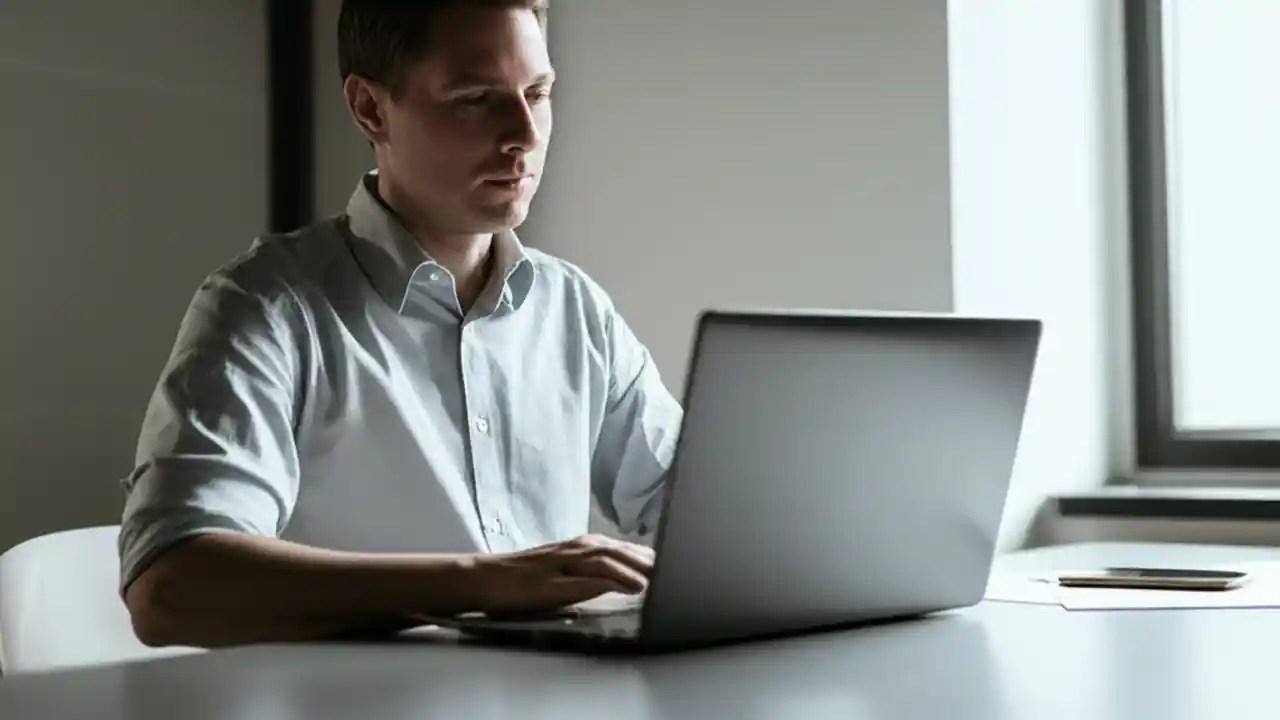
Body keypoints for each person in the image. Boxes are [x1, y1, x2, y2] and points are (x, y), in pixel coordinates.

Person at [119, 0, 682, 648]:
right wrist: (481, 582)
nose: (524, 133)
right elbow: (171, 587)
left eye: (538, 92)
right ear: (370, 109)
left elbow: (699, 514)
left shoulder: (577, 312)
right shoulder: (266, 308)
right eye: (476, 98)